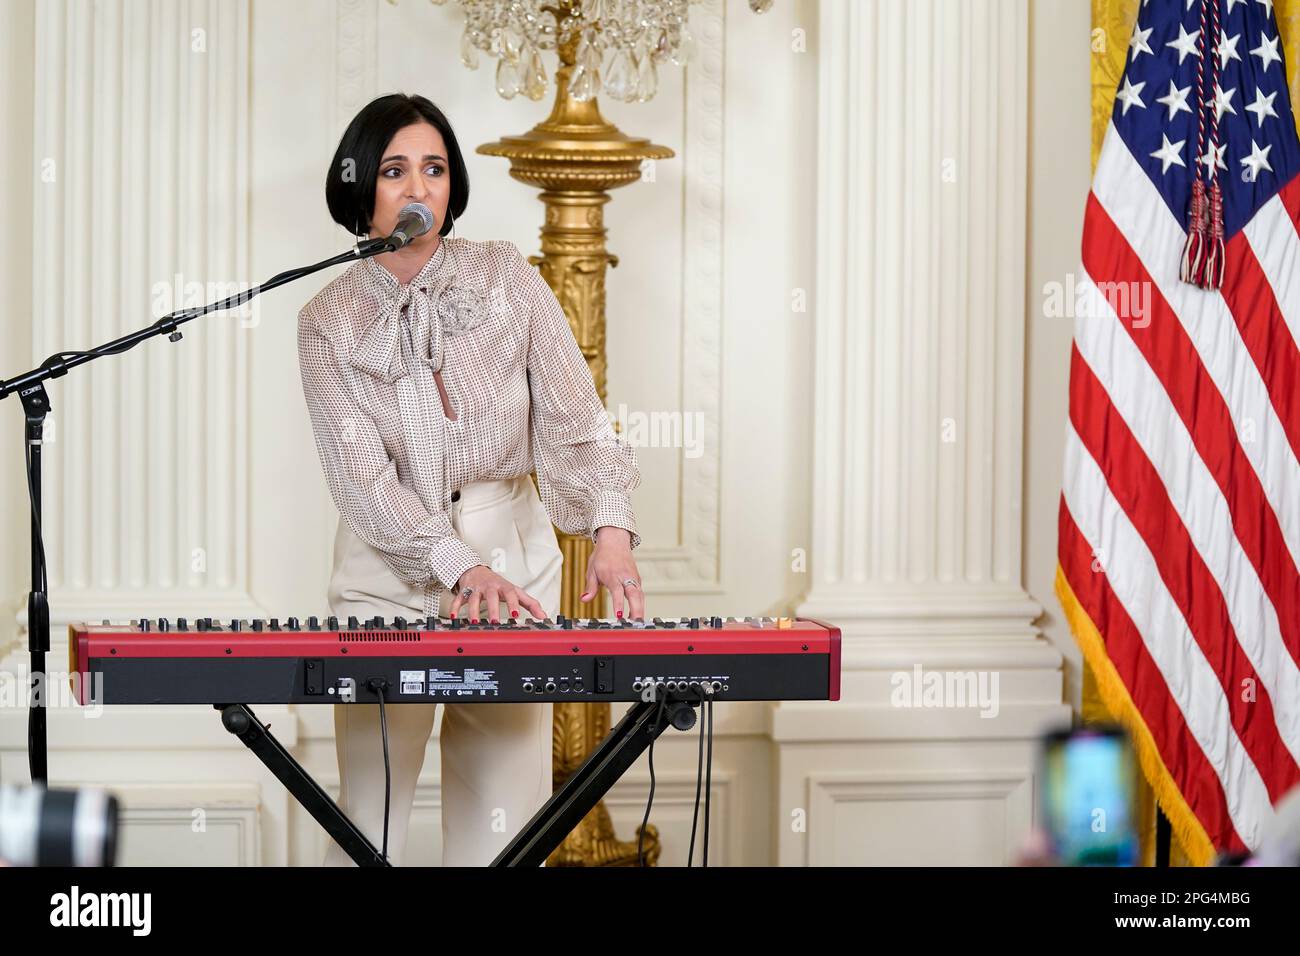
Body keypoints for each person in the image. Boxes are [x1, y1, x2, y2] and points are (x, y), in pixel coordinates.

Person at [297, 93, 645, 866]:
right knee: (367, 821)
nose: (419, 188)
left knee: (503, 829)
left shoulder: (505, 277)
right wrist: (458, 565)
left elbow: (575, 421)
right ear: (360, 186)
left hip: (514, 577)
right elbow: (360, 478)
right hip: (383, 578)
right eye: (395, 170)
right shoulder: (326, 317)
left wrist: (612, 534)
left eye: (435, 168)